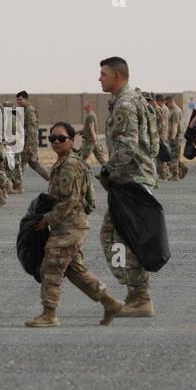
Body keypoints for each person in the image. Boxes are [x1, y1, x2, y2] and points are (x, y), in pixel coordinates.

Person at [25, 122, 123, 327]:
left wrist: (47, 220)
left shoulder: (70, 164)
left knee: (50, 267)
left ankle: (49, 314)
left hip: (70, 226)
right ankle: (110, 303)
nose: (56, 142)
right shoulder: (63, 162)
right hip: (67, 224)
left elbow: (71, 200)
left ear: (71, 140)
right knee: (75, 271)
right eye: (52, 139)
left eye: (61, 138)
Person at [98, 57, 157, 317]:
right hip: (137, 178)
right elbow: (154, 143)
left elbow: (128, 146)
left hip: (130, 180)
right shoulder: (137, 99)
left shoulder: (124, 104)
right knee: (114, 235)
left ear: (117, 76)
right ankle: (134, 291)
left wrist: (107, 172)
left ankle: (140, 298)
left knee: (126, 239)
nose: (99, 78)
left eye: (103, 74)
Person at [15, 91, 51, 182]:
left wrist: (29, 146)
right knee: (33, 163)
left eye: (20, 99)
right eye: (17, 100)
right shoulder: (25, 110)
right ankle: (52, 179)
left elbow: (32, 129)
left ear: (26, 99)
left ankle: (18, 185)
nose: (18, 102)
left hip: (28, 142)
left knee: (20, 163)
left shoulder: (29, 110)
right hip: (27, 141)